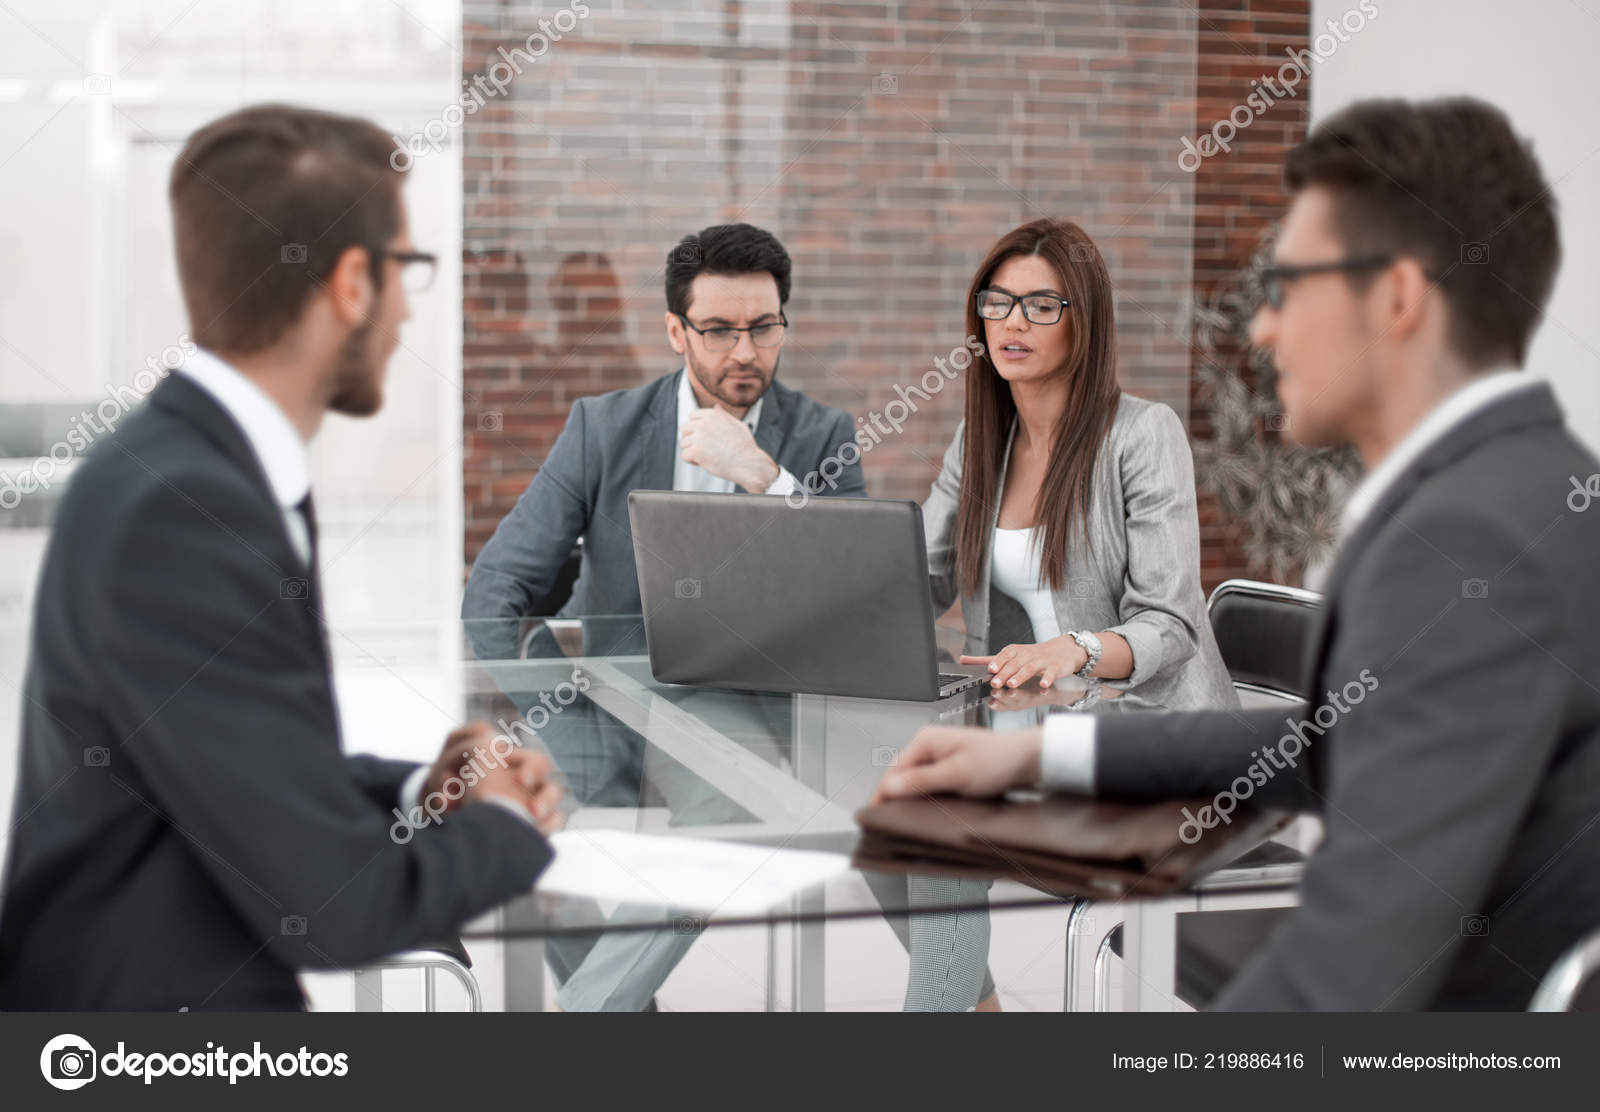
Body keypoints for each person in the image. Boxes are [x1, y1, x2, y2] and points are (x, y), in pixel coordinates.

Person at [874, 96, 1600, 1011]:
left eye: (1288, 286)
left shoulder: (1472, 537)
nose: (1261, 330)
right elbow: (1336, 742)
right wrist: (1037, 761)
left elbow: (1342, 976)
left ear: (1399, 298)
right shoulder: (1506, 489)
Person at [0, 104, 562, 1011]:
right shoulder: (187, 512)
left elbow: (227, 770)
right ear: (351, 283)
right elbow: (345, 909)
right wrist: (507, 823)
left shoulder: (181, 468)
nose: (401, 318)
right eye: (405, 272)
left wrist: (429, 789)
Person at [877, 218, 1239, 1011]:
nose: (1012, 322)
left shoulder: (1142, 435)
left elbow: (1172, 625)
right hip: (1040, 731)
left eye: (1042, 305)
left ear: (1086, 320)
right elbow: (920, 584)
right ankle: (980, 1011)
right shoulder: (982, 440)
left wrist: (1071, 649)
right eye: (997, 302)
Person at [461, 222, 867, 661]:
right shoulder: (600, 430)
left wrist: (766, 478)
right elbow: (494, 591)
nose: (746, 352)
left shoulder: (825, 436)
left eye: (764, 327)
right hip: (621, 710)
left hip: (767, 714)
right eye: (718, 330)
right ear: (677, 332)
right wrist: (568, 719)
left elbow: (857, 593)